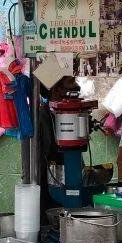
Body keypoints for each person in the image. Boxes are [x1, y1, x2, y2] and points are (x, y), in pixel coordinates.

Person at [36, 75, 78, 211]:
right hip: (48, 190)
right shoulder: (40, 118)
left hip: (72, 182)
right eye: (71, 82)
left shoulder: (73, 114)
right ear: (55, 89)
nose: (77, 86)